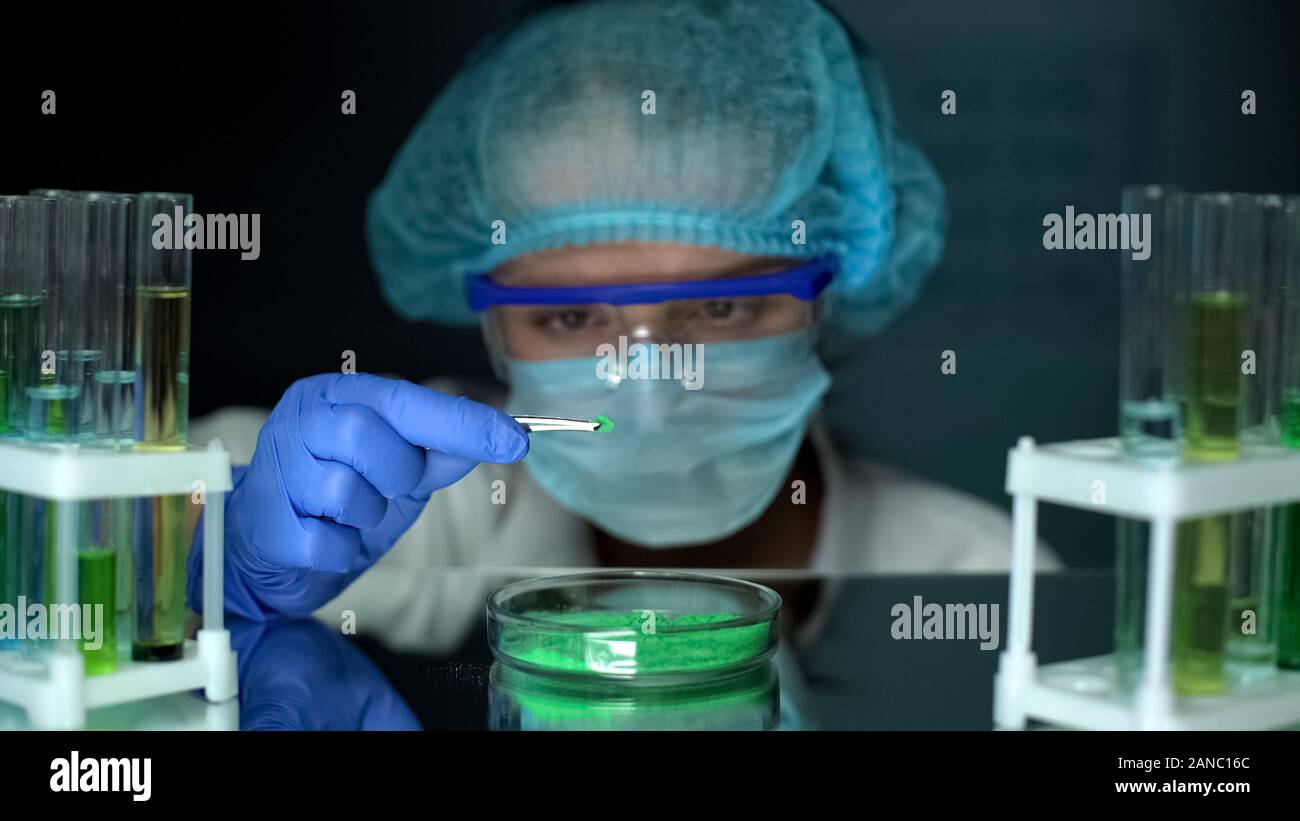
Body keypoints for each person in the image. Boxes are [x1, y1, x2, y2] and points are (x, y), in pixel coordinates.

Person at [188, 0, 1057, 649]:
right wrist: (215, 554)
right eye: (569, 316)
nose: (647, 395)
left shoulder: (977, 577)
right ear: (489, 317)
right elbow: (103, 522)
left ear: (826, 291)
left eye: (719, 307)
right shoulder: (422, 507)